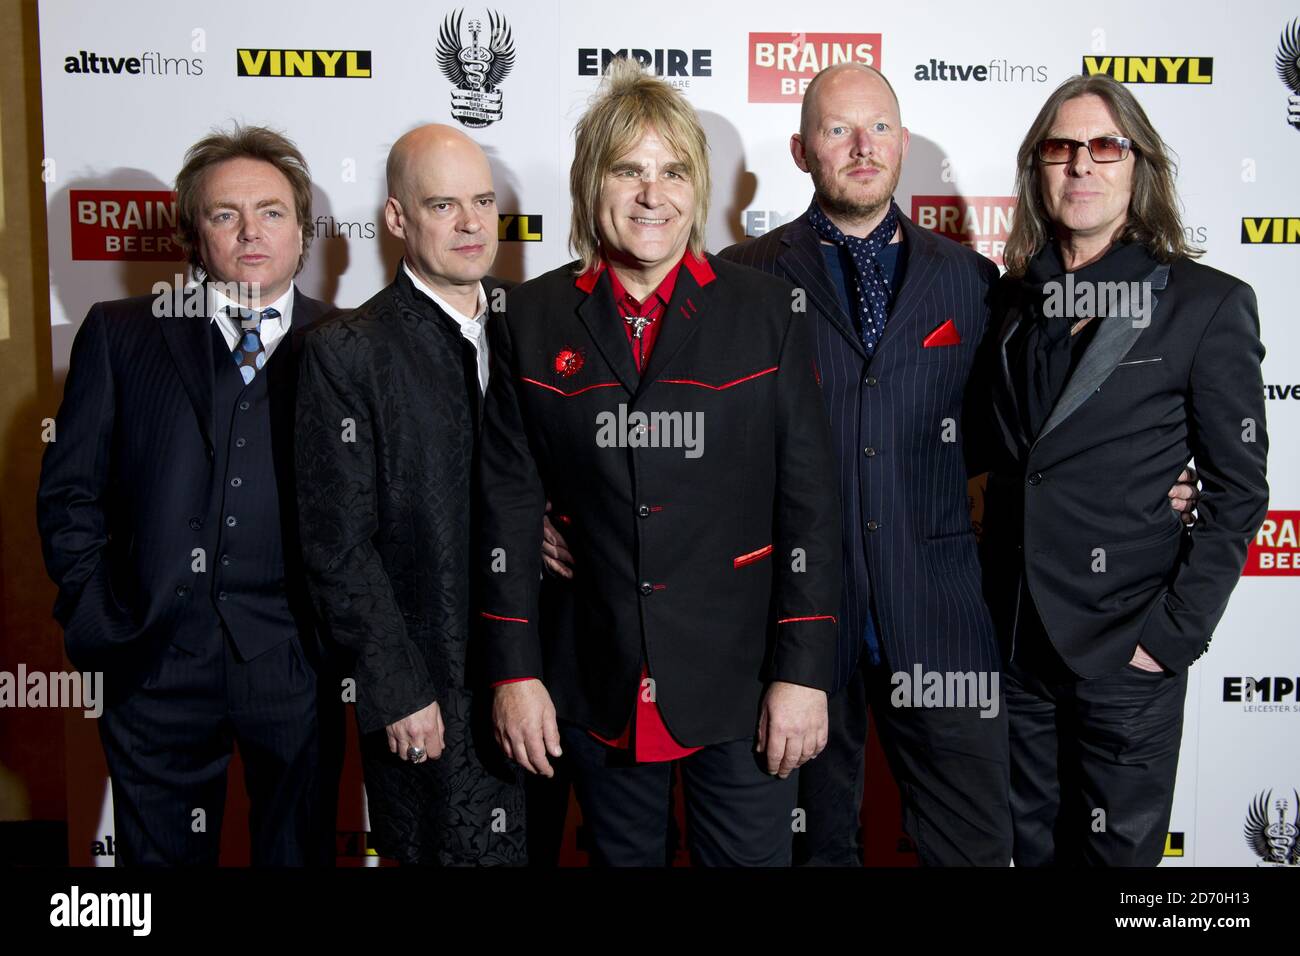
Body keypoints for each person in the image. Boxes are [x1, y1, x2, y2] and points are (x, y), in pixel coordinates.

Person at [719, 63, 1199, 867]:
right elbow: (707, 441)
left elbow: (1022, 436)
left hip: (944, 621)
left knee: (976, 850)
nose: (862, 147)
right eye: (838, 130)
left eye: (878, 128)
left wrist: (1140, 489)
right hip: (797, 632)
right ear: (803, 151)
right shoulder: (743, 278)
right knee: (813, 849)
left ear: (902, 144)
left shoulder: (975, 284)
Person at [476, 57, 841, 866]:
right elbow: (506, 506)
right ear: (590, 183)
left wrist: (804, 673)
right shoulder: (529, 318)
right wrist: (513, 672)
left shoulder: (767, 313)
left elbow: (810, 504)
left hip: (744, 684)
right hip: (595, 678)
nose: (653, 194)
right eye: (628, 170)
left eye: (674, 171)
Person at [981, 73, 1269, 866]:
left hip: (1125, 650)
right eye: (1061, 147)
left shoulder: (1204, 304)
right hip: (1015, 647)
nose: (1082, 164)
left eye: (1105, 146)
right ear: (1037, 169)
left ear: (1137, 166)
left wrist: (1169, 636)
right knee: (1028, 853)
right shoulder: (1008, 303)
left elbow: (1240, 490)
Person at [37, 125, 335, 865]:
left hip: (296, 661)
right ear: (194, 236)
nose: (250, 233)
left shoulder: (347, 344)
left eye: (271, 211)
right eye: (224, 215)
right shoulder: (120, 334)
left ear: (303, 231)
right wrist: (100, 617)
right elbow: (70, 493)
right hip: (155, 660)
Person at [295, 125, 526, 865]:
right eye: (443, 205)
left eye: (483, 202)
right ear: (396, 219)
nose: (469, 225)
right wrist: (392, 687)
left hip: (545, 684)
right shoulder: (349, 349)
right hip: (434, 692)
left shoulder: (535, 320)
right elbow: (336, 540)